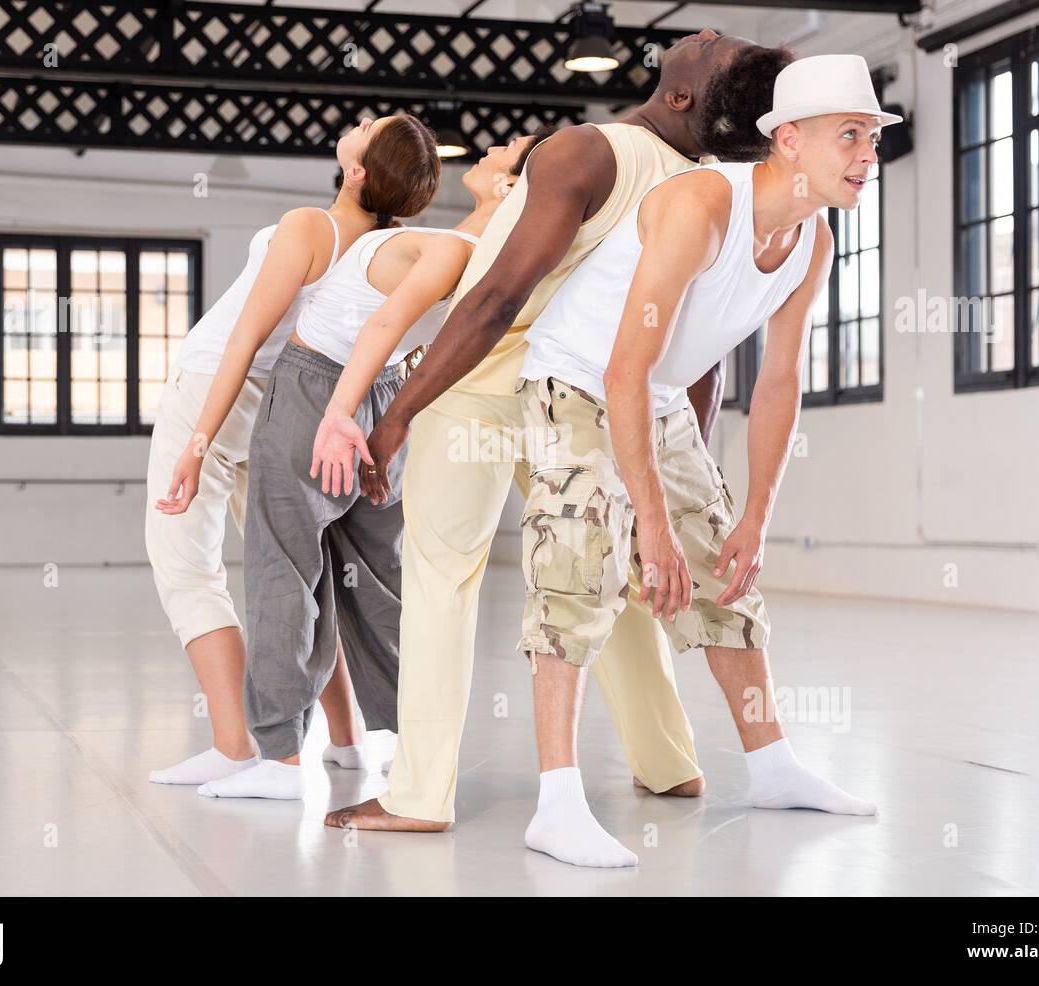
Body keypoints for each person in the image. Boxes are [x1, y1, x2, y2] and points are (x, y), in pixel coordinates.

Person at [327, 30, 779, 834]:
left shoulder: (585, 151)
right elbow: (694, 353)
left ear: (680, 96)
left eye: (714, 49)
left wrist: (396, 413)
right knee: (613, 581)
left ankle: (417, 796)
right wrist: (667, 479)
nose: (709, 33)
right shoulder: (714, 192)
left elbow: (497, 298)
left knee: (443, 577)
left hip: (482, 384)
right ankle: (668, 763)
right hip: (587, 401)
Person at [514, 53, 898, 867]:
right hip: (579, 380)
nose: (868, 154)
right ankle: (555, 802)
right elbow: (620, 370)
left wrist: (756, 515)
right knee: (578, 571)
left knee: (730, 576)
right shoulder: (700, 205)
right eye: (851, 136)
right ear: (788, 141)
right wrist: (649, 526)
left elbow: (779, 385)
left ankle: (773, 765)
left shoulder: (812, 240)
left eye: (872, 136)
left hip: (653, 397)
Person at [165, 128, 546, 801]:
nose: (492, 149)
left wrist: (333, 417)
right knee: (377, 583)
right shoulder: (476, 251)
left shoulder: (440, 246)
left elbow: (377, 327)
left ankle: (280, 758)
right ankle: (412, 743)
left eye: (507, 155)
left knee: (283, 567)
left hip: (322, 389)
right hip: (383, 395)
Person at [145, 112, 439, 787]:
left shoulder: (311, 225)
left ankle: (236, 746)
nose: (359, 120)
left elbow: (245, 338)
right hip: (297, 401)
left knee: (187, 565)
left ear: (359, 170)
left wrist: (196, 445)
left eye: (368, 127)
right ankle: (346, 740)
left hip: (219, 387)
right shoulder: (382, 244)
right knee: (306, 574)